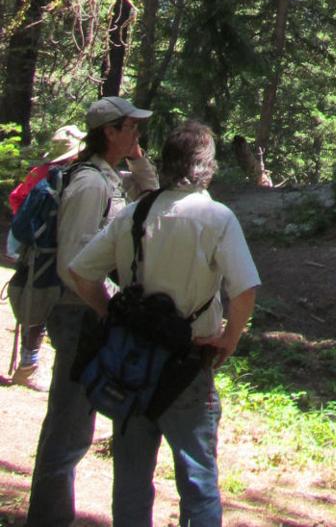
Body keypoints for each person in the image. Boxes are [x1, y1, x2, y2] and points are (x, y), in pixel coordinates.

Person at [70, 119, 259, 527]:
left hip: (131, 362)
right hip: (188, 364)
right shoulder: (217, 217)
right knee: (198, 479)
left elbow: (82, 273)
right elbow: (244, 291)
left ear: (168, 162)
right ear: (207, 165)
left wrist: (106, 311)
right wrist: (229, 339)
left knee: (132, 478)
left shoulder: (137, 212)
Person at [26, 95, 157, 527]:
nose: (137, 133)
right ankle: (47, 519)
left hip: (87, 312)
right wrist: (105, 309)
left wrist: (139, 161)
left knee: (74, 423)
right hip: (78, 314)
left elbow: (154, 202)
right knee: (68, 427)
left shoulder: (107, 177)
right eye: (130, 127)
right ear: (109, 132)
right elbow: (73, 264)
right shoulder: (90, 185)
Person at [6, 123, 85, 390]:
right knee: (41, 303)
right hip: (45, 249)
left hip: (33, 246)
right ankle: (28, 368)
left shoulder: (39, 173)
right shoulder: (63, 176)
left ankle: (28, 366)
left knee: (36, 303)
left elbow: (16, 199)